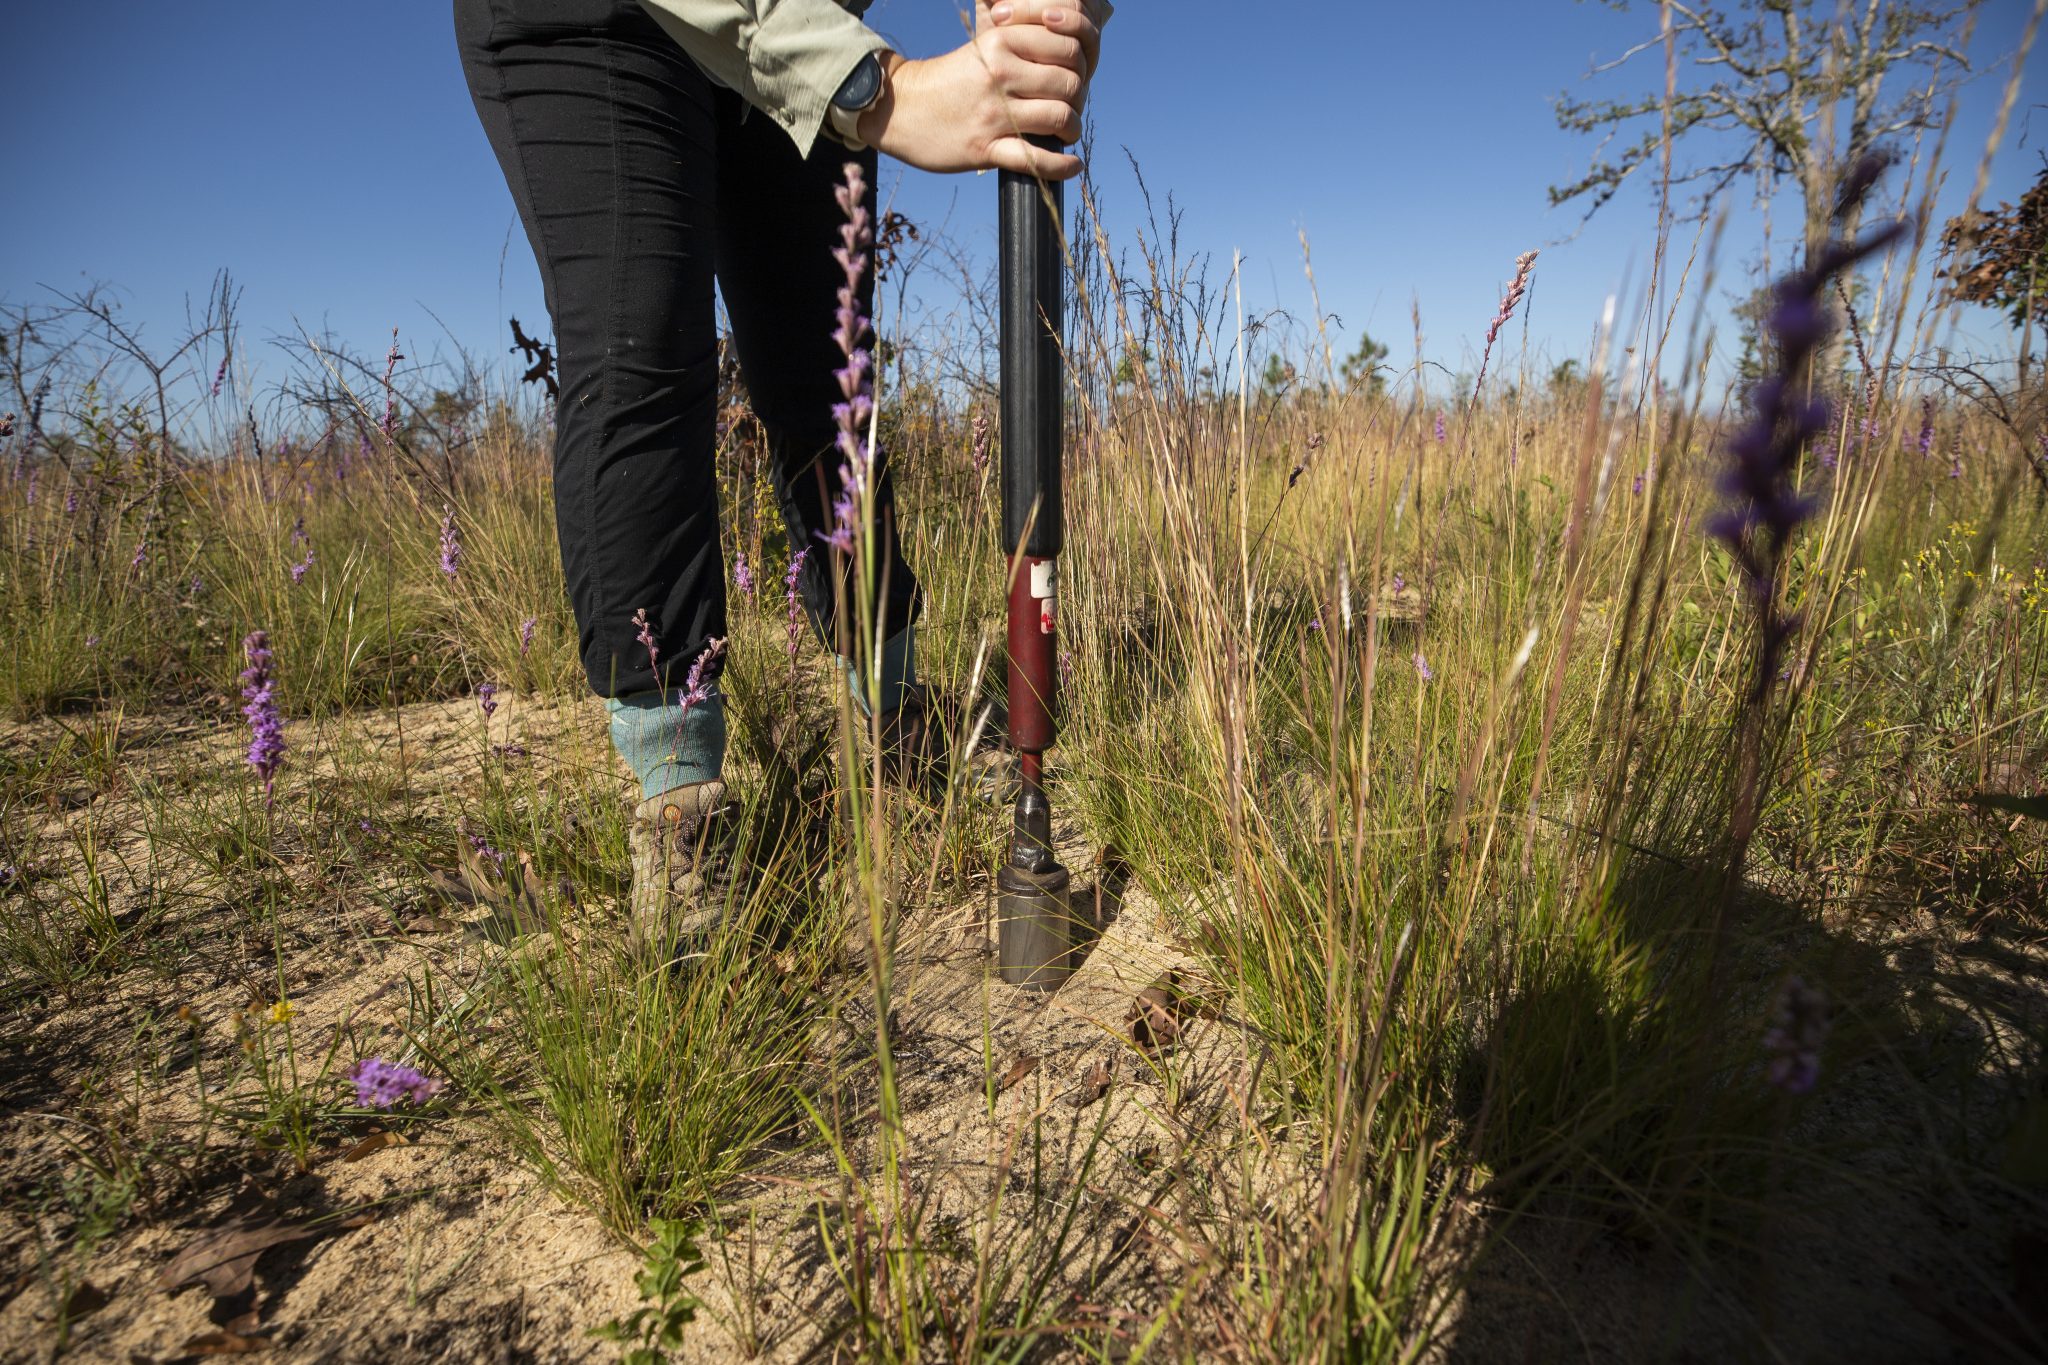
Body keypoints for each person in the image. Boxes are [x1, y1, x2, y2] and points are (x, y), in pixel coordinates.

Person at [453, 0, 1107, 949]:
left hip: (806, 15)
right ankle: (679, 796)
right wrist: (879, 90)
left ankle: (891, 712)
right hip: (595, 23)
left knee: (828, 377)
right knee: (644, 343)